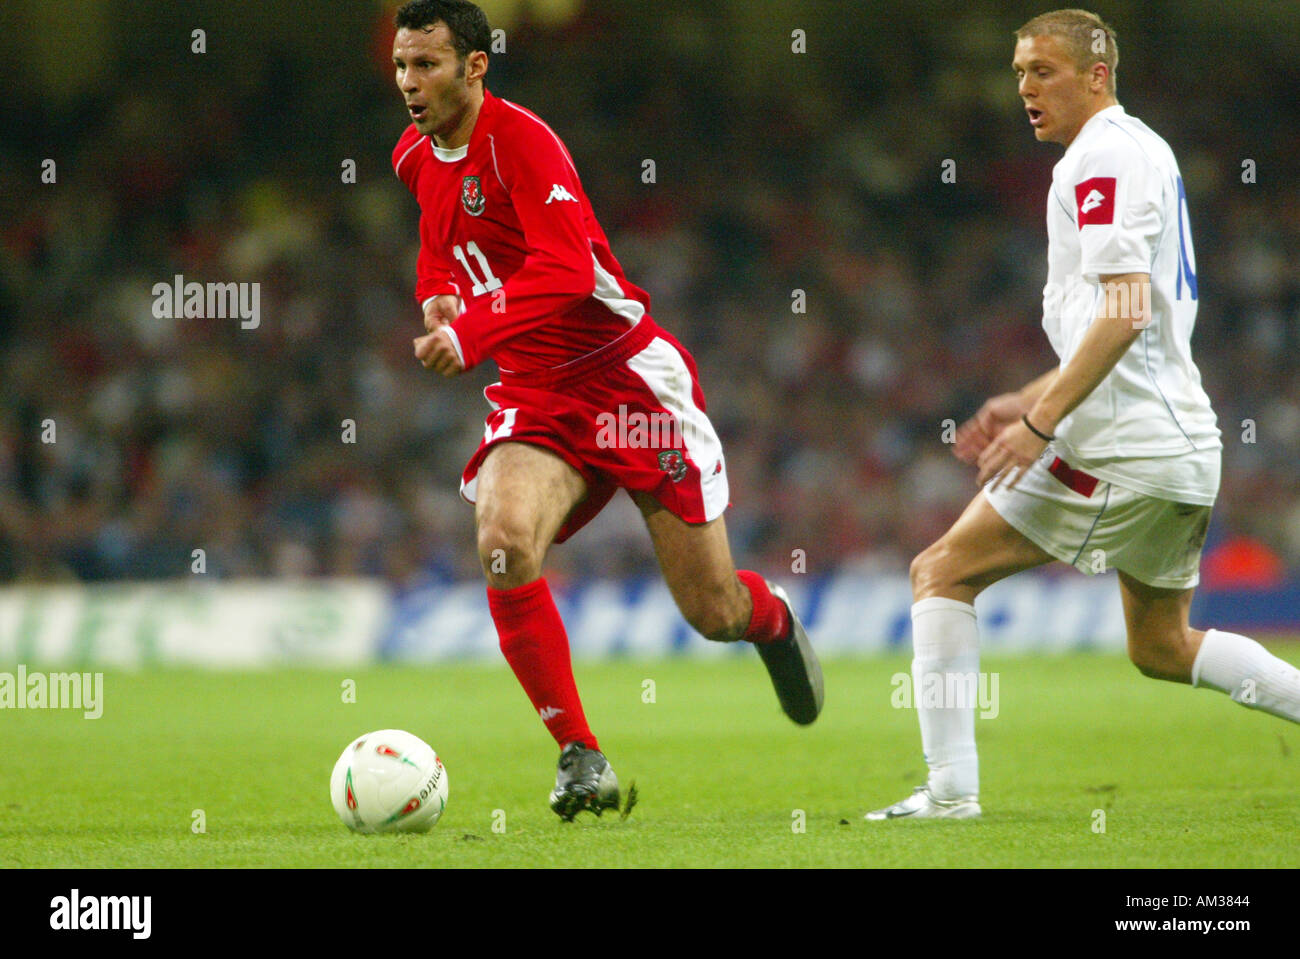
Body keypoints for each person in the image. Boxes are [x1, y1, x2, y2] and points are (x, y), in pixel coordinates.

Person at [390, 0, 823, 821]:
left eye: (429, 65)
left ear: (476, 67)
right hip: (535, 395)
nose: (410, 83)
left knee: (711, 609)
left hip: (626, 383)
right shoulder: (414, 154)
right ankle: (579, 753)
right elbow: (438, 247)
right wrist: (440, 300)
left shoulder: (521, 141)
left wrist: (475, 327)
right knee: (503, 543)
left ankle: (770, 623)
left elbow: (564, 265)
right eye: (403, 67)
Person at [868, 8, 1300, 820]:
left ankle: (952, 792)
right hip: (1178, 446)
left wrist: (1039, 424)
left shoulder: (1097, 160)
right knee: (1163, 647)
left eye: (1044, 71)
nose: (1025, 88)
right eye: (1019, 73)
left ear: (1096, 75)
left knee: (941, 571)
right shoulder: (1143, 150)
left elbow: (1127, 310)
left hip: (1118, 448)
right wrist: (1027, 397)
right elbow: (1130, 318)